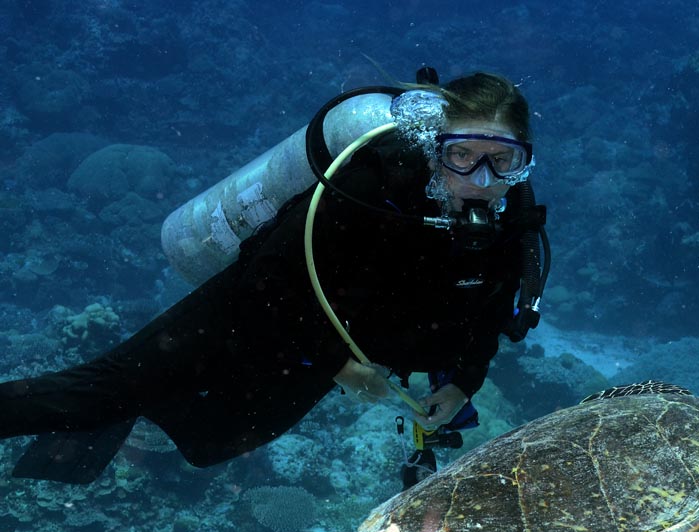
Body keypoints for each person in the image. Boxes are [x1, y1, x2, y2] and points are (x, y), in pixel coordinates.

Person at [0, 70, 548, 485]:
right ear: (435, 150)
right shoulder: (368, 187)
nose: (482, 177)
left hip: (316, 347)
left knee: (216, 434)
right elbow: (264, 278)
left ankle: (124, 421)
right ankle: (104, 416)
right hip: (248, 312)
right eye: (463, 156)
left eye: (503, 160)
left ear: (523, 161)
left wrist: (461, 385)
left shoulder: (509, 227)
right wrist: (340, 368)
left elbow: (488, 317)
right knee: (99, 391)